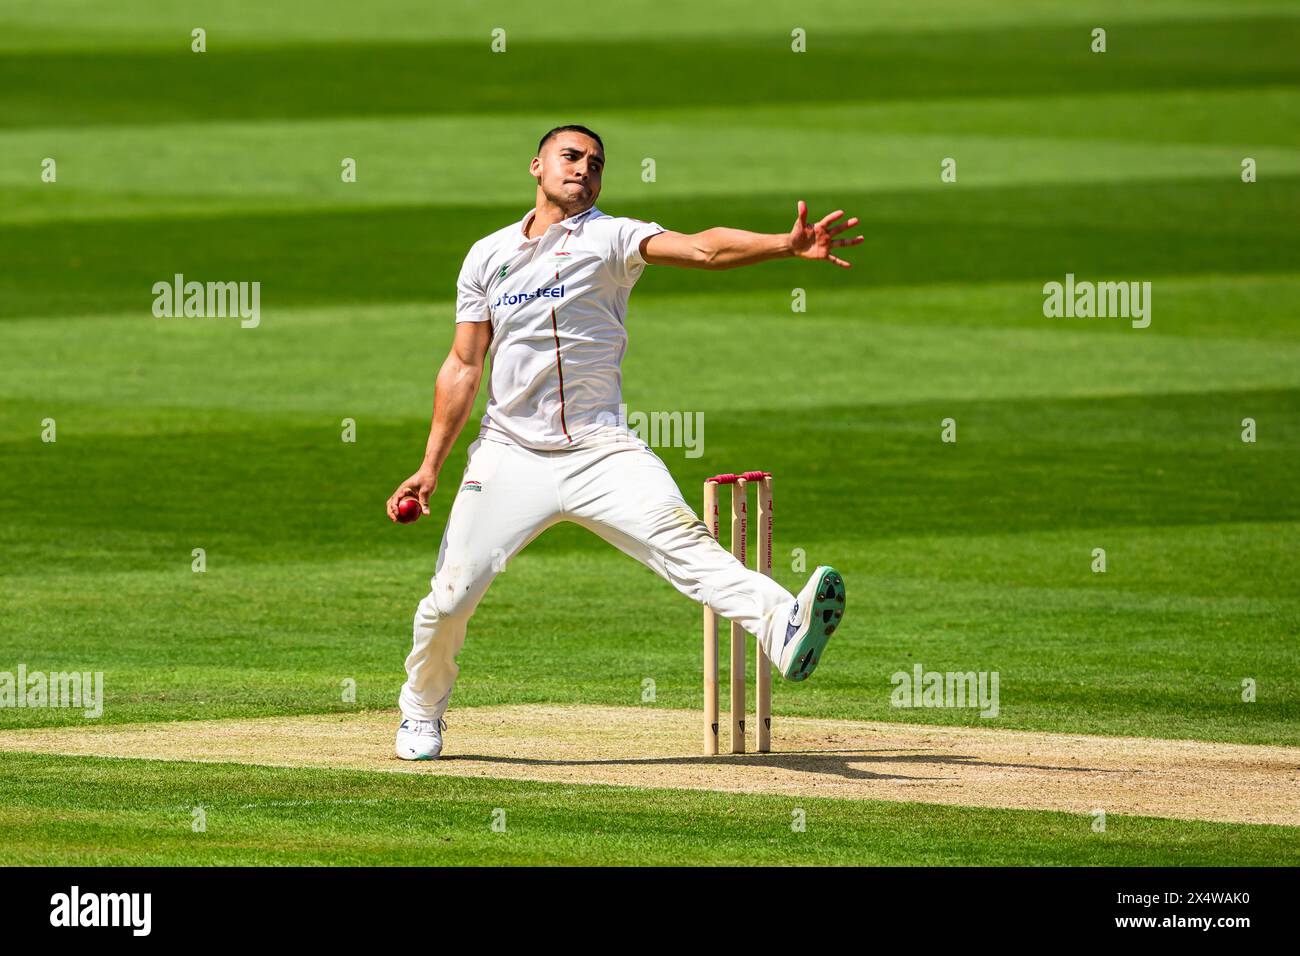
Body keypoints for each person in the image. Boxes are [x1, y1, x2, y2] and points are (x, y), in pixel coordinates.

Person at [386, 125, 859, 759]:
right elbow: (463, 365)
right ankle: (421, 713)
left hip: (601, 451)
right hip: (508, 455)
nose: (584, 169)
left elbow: (702, 250)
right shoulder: (486, 256)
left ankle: (784, 625)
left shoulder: (610, 236)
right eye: (571, 157)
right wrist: (429, 466)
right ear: (537, 166)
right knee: (450, 599)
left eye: (596, 163)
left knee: (686, 545)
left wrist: (784, 244)